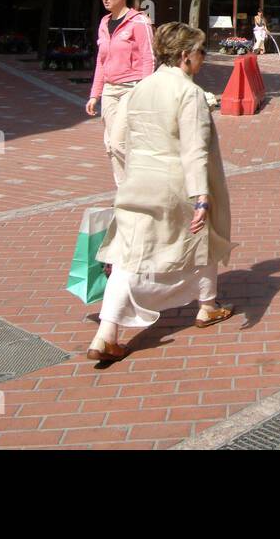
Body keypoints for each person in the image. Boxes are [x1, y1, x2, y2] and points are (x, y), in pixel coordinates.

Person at [88, 22, 235, 362]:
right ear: (185, 55)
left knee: (127, 255)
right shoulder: (190, 93)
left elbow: (119, 138)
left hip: (138, 182)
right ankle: (205, 305)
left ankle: (106, 333)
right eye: (201, 52)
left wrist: (132, 171)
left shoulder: (141, 87)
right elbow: (194, 149)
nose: (203, 59)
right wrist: (201, 196)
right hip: (176, 184)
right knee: (203, 237)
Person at [86, 0, 155, 187]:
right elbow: (101, 60)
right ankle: (124, 193)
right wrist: (94, 94)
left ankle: (142, 185)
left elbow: (148, 57)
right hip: (109, 89)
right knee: (110, 145)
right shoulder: (104, 23)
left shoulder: (139, 21)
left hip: (131, 88)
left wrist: (145, 91)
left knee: (118, 143)